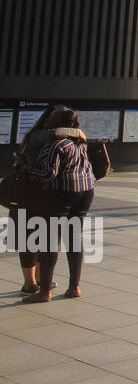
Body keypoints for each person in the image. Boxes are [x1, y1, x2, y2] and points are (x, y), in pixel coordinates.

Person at [20, 108, 97, 303]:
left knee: (50, 240)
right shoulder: (80, 142)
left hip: (62, 193)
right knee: (74, 237)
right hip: (86, 190)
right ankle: (74, 287)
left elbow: (47, 173)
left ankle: (44, 291)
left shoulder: (55, 144)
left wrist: (28, 170)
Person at [7, 104, 77, 295]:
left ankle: (38, 279)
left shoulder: (51, 137)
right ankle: (29, 283)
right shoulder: (38, 135)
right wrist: (77, 132)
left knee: (38, 237)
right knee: (29, 238)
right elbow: (57, 133)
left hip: (41, 192)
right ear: (49, 120)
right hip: (29, 190)